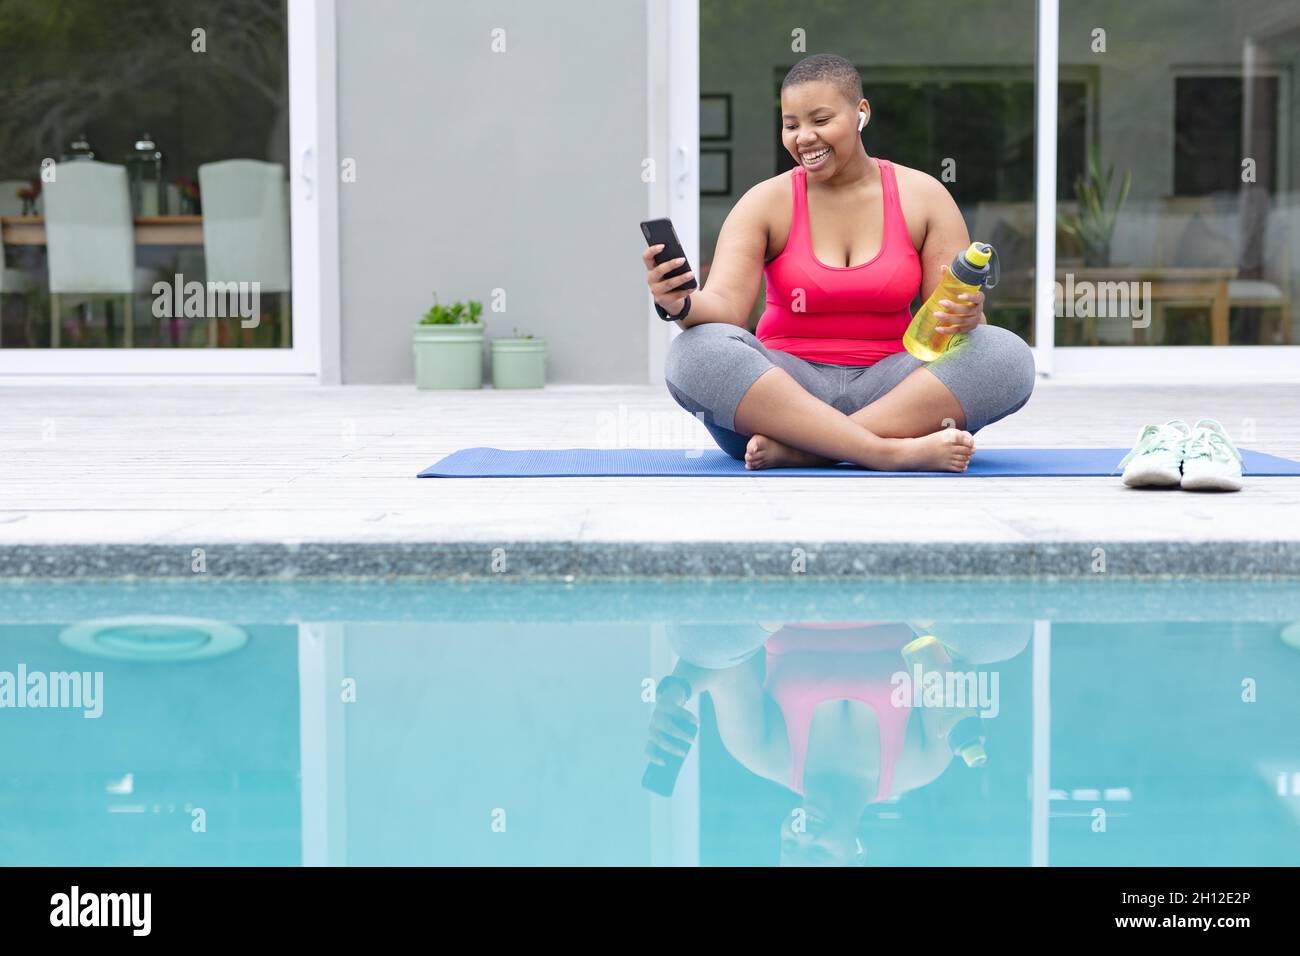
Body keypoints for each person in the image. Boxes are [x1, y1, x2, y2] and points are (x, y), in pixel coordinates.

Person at [643, 53, 1035, 471]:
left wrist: (969, 317)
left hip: (896, 388)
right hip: (785, 390)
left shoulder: (923, 196)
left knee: (1005, 353)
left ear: (861, 113)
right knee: (693, 351)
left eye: (820, 120)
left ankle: (809, 449)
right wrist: (680, 304)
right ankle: (883, 452)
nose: (804, 137)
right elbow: (725, 310)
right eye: (791, 125)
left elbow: (949, 327)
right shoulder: (765, 202)